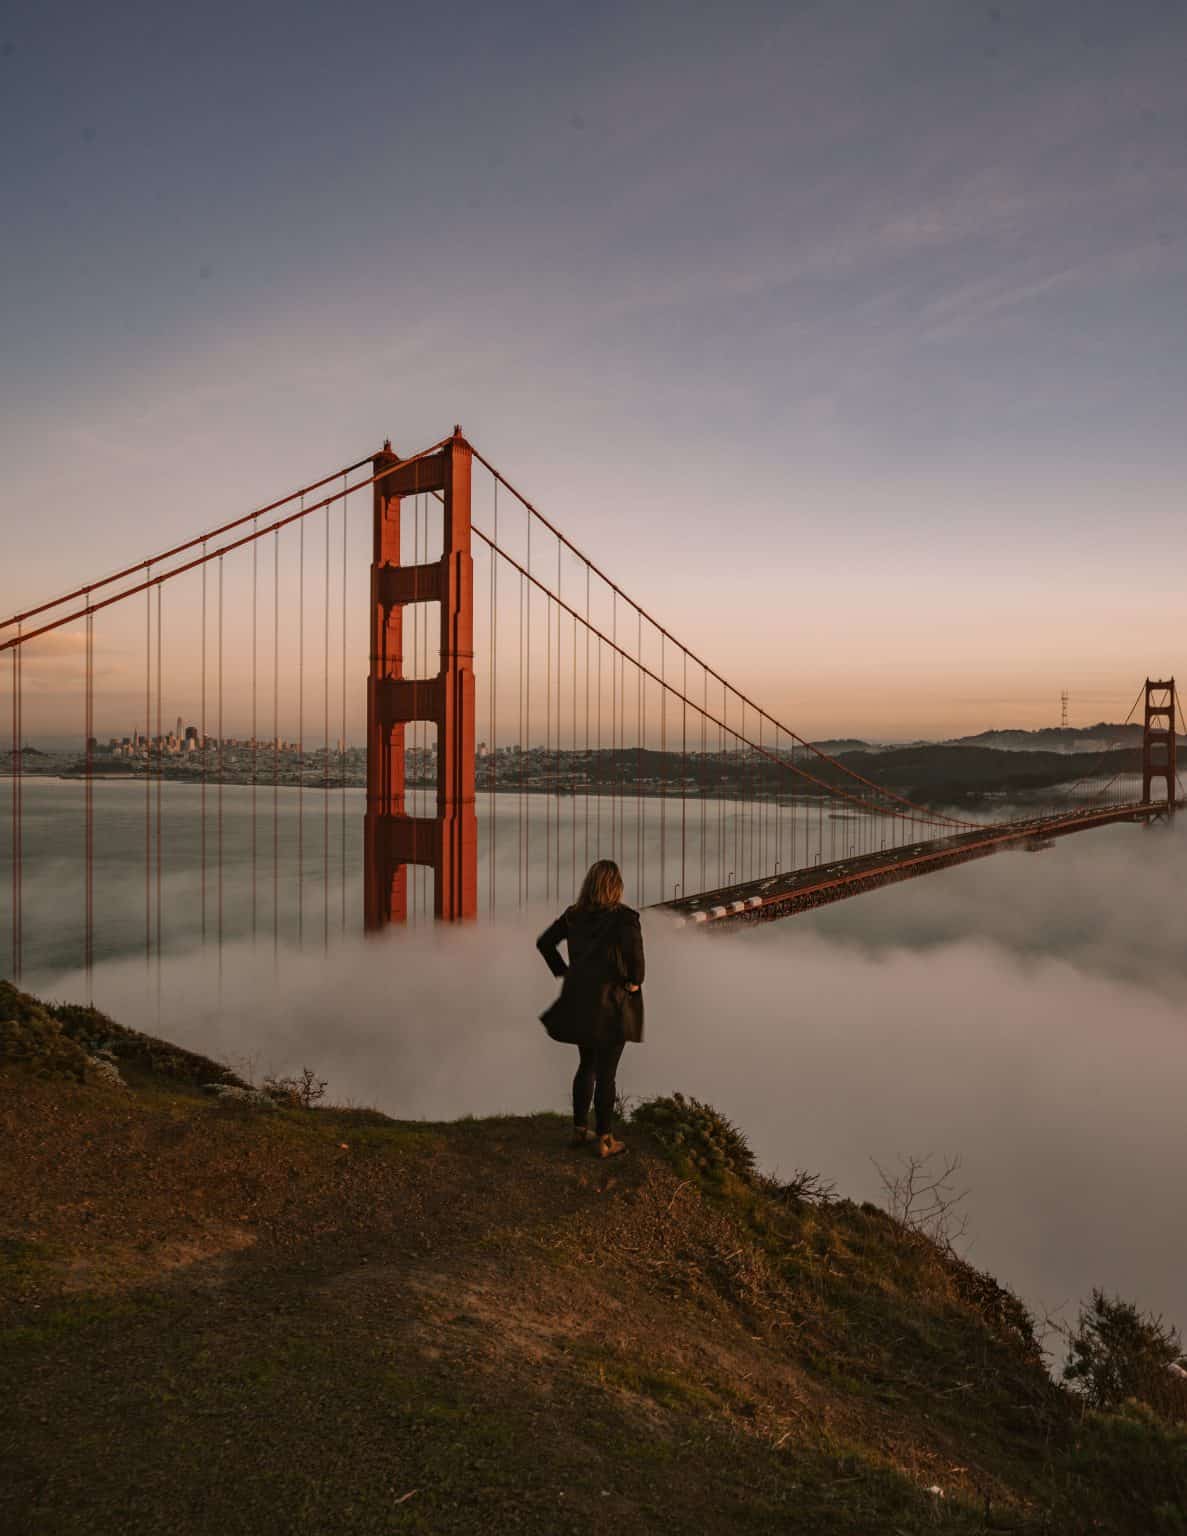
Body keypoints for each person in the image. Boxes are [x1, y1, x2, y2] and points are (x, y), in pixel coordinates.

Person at [536, 859, 644, 1159]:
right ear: (617, 887)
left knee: (587, 1065)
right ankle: (606, 1140)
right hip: (613, 1004)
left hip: (582, 1001)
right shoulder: (625, 918)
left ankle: (580, 1131)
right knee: (607, 1074)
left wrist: (565, 972)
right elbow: (637, 964)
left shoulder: (574, 916)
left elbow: (545, 943)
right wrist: (634, 984)